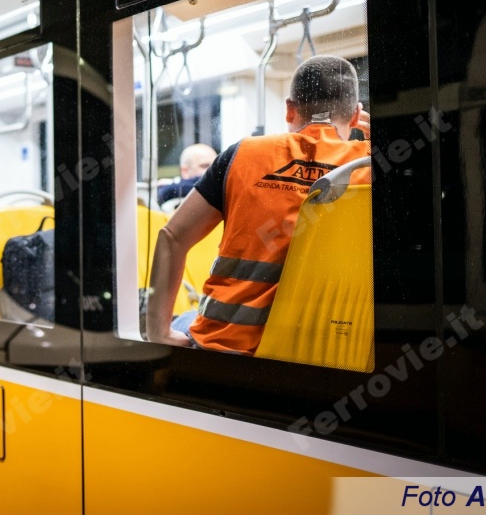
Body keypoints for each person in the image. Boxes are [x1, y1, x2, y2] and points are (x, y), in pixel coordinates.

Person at [146, 55, 371, 352]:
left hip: (227, 345)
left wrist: (158, 333)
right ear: (355, 116)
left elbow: (171, 237)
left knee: (180, 321)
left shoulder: (242, 155)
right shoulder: (367, 165)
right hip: (321, 348)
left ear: (290, 110)